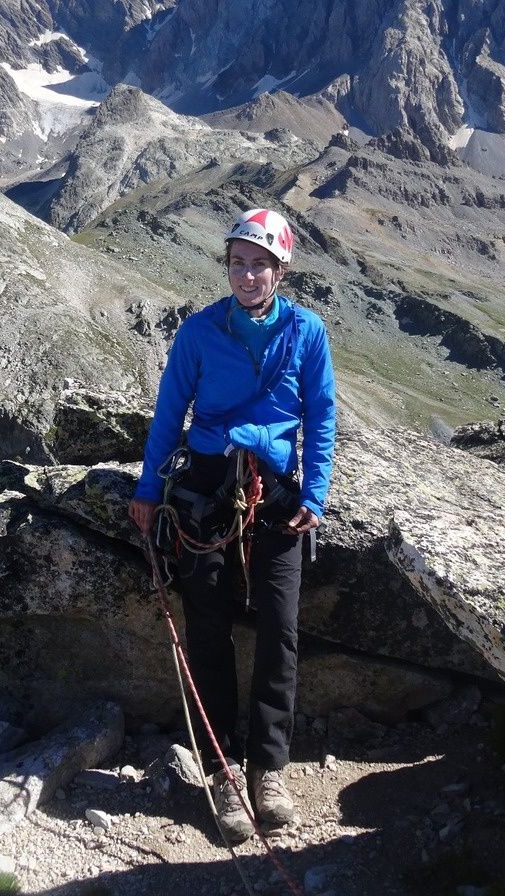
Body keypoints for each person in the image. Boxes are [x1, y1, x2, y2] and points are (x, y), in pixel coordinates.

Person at [129, 206, 337, 843]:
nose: (247, 276)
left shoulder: (307, 333)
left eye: (259, 265)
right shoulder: (198, 333)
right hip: (205, 491)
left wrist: (317, 493)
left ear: (281, 269)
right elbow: (171, 413)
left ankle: (267, 769)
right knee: (209, 627)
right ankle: (223, 771)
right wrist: (146, 488)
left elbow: (321, 416)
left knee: (281, 626)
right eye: (238, 263)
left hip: (274, 491)